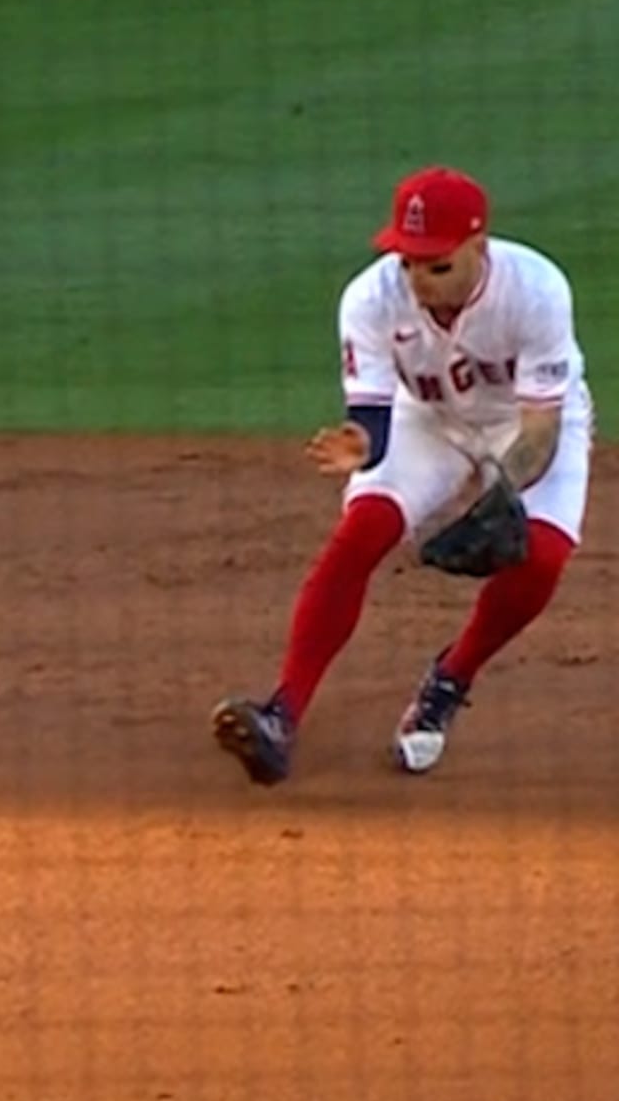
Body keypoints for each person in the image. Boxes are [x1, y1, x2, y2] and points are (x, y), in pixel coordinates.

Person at [212, 167, 594, 784]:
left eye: (437, 265)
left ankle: (451, 679)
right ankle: (281, 715)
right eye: (407, 261)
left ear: (479, 247)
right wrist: (360, 444)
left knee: (541, 557)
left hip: (524, 425)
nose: (418, 279)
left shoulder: (537, 289)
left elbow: (541, 428)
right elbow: (374, 416)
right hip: (427, 419)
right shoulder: (369, 299)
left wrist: (499, 491)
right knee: (364, 529)